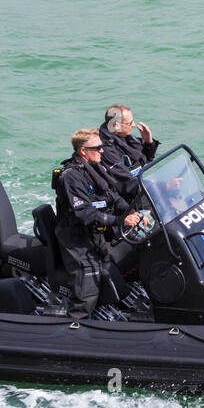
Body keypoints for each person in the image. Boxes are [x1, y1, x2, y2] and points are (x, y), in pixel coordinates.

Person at [54, 128, 142, 319]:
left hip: (96, 233)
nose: (102, 151)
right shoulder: (70, 176)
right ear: (83, 151)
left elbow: (113, 196)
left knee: (140, 251)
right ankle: (76, 323)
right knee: (89, 287)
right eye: (97, 148)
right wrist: (119, 221)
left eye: (102, 146)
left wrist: (132, 212)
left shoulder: (95, 167)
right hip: (76, 238)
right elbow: (84, 213)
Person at [98, 104, 159, 203]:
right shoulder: (105, 150)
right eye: (129, 123)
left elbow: (147, 159)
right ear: (116, 125)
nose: (133, 125)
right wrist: (161, 186)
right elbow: (125, 182)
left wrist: (149, 142)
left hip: (138, 187)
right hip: (123, 197)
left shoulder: (124, 137)